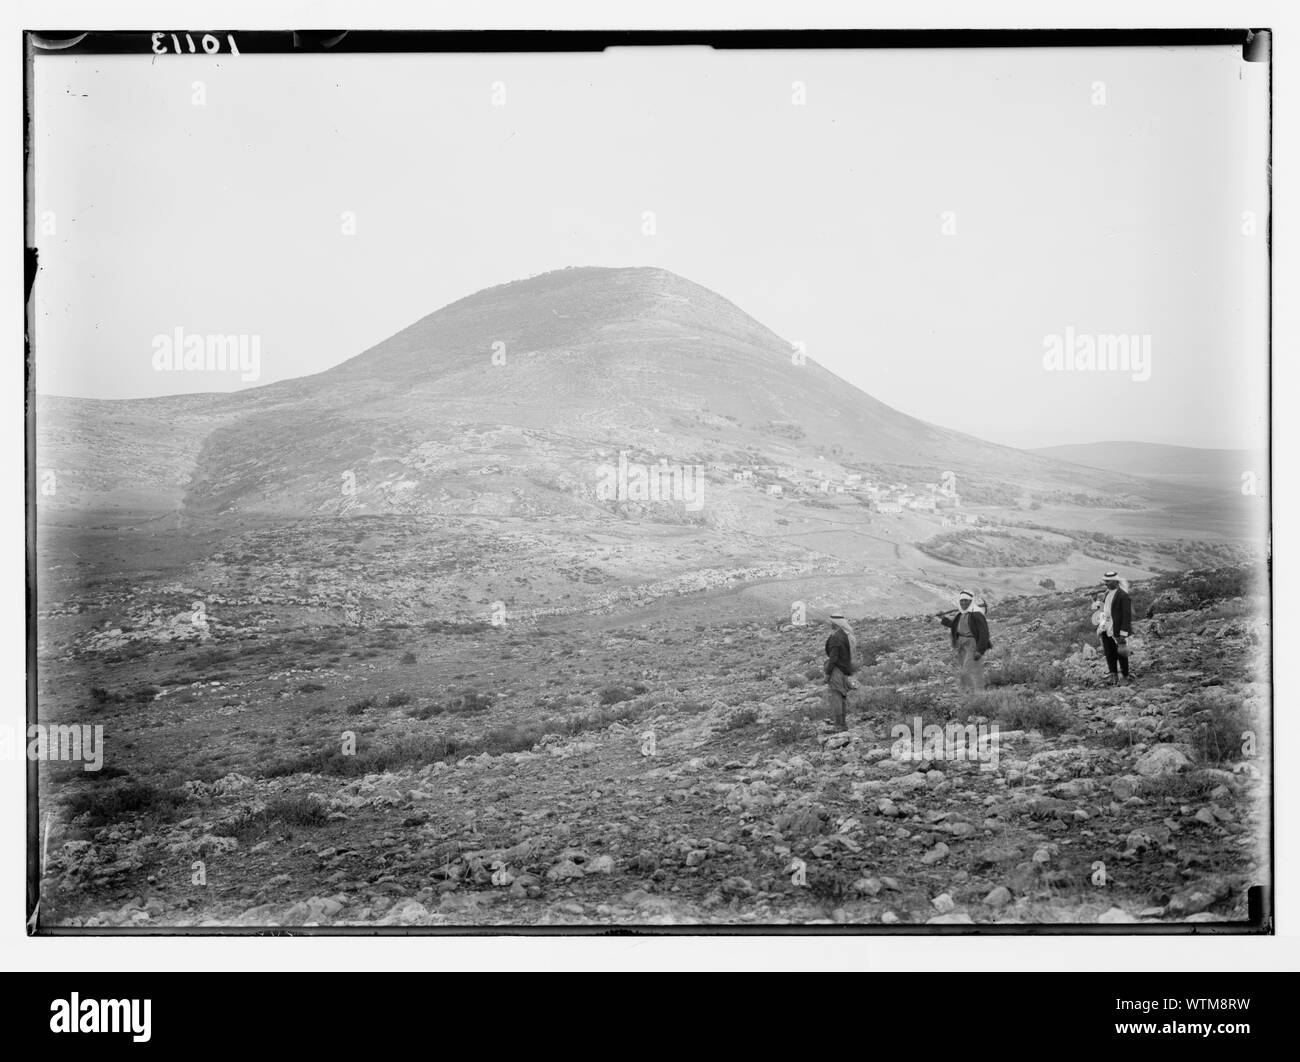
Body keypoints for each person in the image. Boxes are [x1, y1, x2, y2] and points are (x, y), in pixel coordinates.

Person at [940, 590, 992, 691]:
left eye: (966, 600)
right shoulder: (962, 614)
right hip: (961, 644)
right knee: (968, 669)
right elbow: (955, 626)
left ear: (971, 601)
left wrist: (980, 650)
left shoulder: (977, 615)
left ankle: (977, 693)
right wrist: (943, 619)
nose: (963, 603)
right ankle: (972, 693)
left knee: (966, 670)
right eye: (961, 600)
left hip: (972, 644)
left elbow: (984, 633)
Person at [1097, 570, 1133, 685]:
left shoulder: (1123, 595)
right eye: (1105, 581)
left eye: (1108, 581)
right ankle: (1114, 676)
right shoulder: (1107, 593)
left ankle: (1125, 677)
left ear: (1115, 581)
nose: (1105, 583)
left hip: (1117, 631)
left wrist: (1123, 634)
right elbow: (1104, 611)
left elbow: (1127, 617)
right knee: (1109, 653)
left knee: (1121, 654)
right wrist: (1101, 626)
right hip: (1106, 629)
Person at [824, 611, 857, 731]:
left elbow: (833, 658)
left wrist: (828, 674)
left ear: (835, 624)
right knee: (842, 695)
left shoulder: (835, 638)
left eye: (831, 623)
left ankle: (839, 724)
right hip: (846, 669)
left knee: (836, 695)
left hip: (837, 670)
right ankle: (842, 724)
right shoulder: (846, 635)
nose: (830, 625)